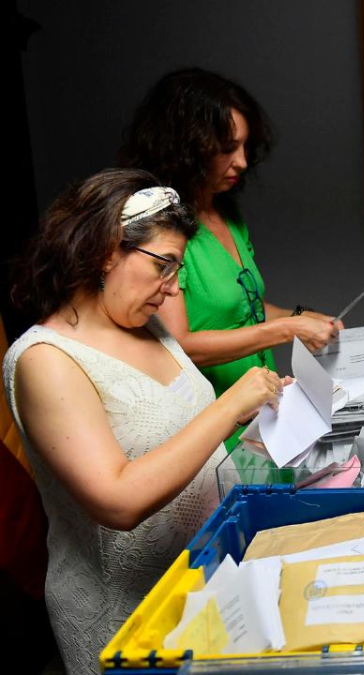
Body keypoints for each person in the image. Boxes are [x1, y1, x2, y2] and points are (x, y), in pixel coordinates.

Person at [3, 170, 286, 675]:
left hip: (206, 580)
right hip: (128, 615)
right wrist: (227, 408)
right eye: (164, 266)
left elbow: (182, 439)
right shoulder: (46, 359)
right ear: (107, 250)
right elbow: (118, 499)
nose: (173, 289)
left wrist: (257, 418)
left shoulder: (148, 325)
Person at [119, 68, 340, 443]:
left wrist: (302, 317)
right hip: (213, 421)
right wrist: (288, 329)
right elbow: (180, 343)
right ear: (185, 146)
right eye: (226, 149)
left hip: (264, 410)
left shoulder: (227, 215)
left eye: (244, 148)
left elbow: (244, 308)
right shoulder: (164, 230)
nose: (241, 162)